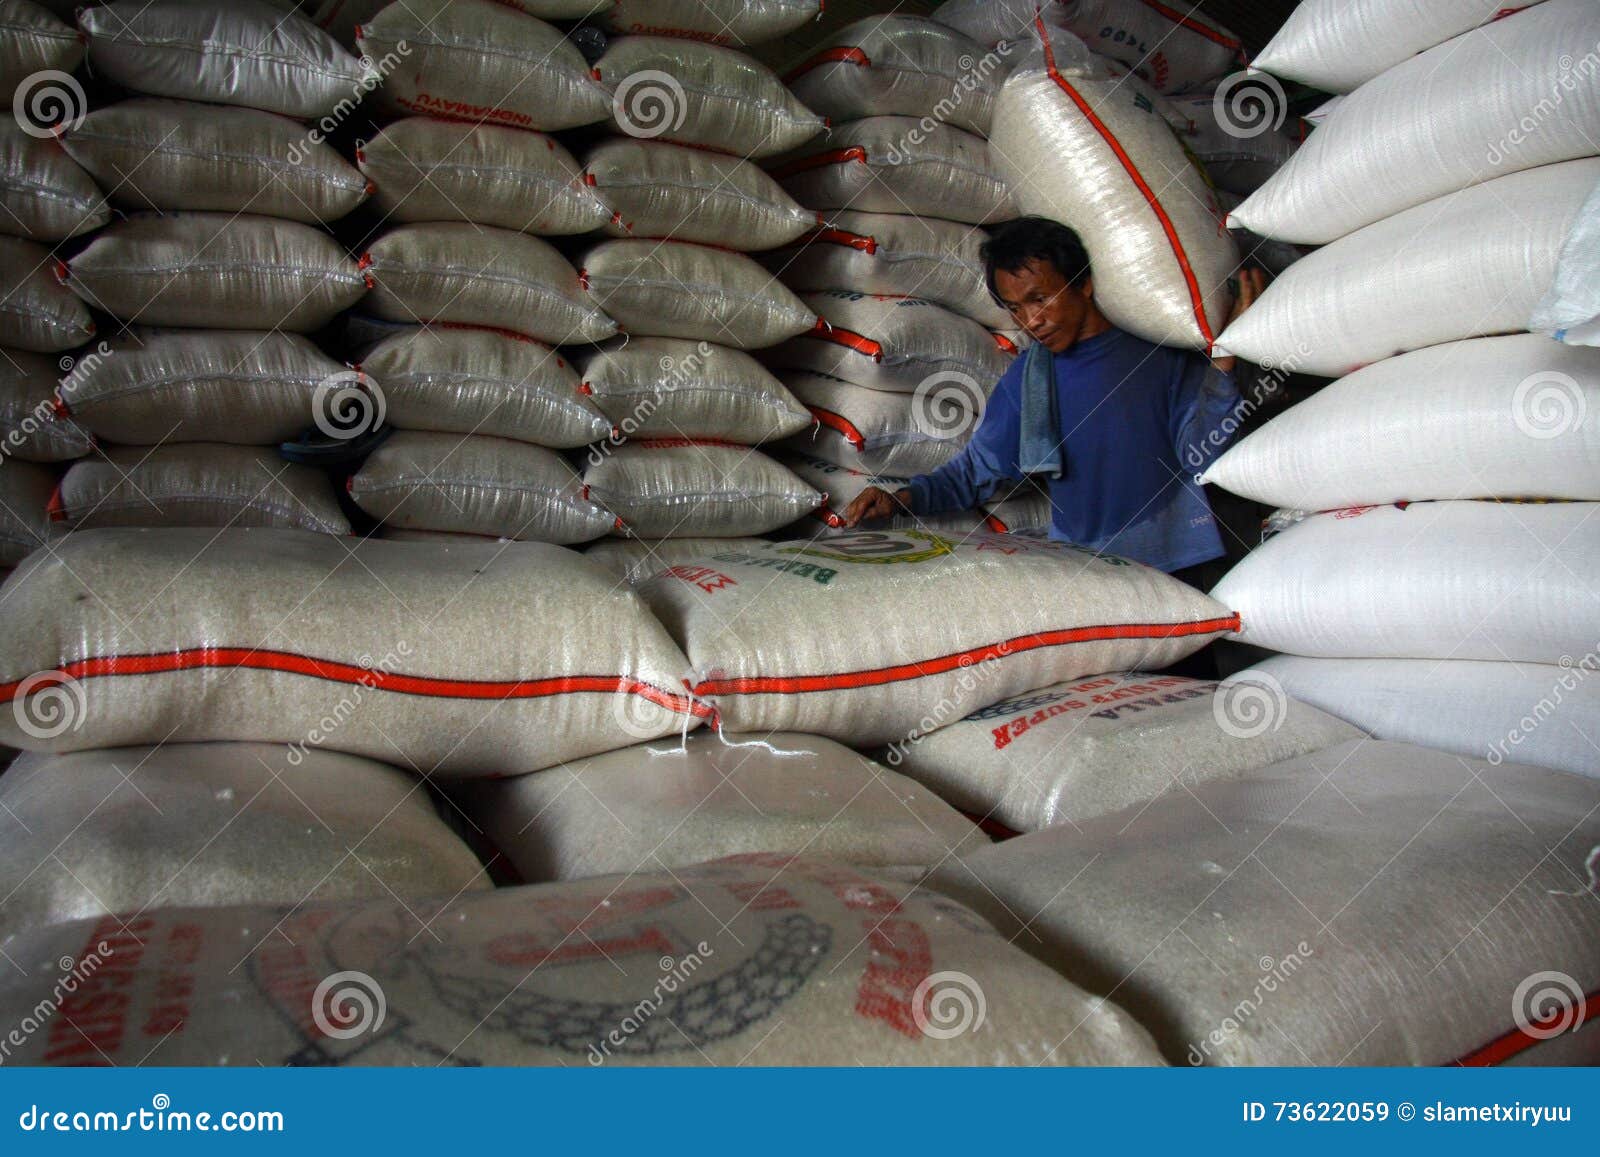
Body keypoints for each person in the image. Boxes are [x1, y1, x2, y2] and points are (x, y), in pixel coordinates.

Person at [841, 216, 1265, 592]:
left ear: (1083, 282)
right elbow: (976, 471)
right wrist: (902, 499)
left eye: (1040, 298)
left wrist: (1225, 358)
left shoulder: (1158, 348)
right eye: (1015, 308)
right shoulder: (1030, 380)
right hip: (1092, 578)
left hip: (1186, 564)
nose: (1031, 321)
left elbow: (1208, 450)